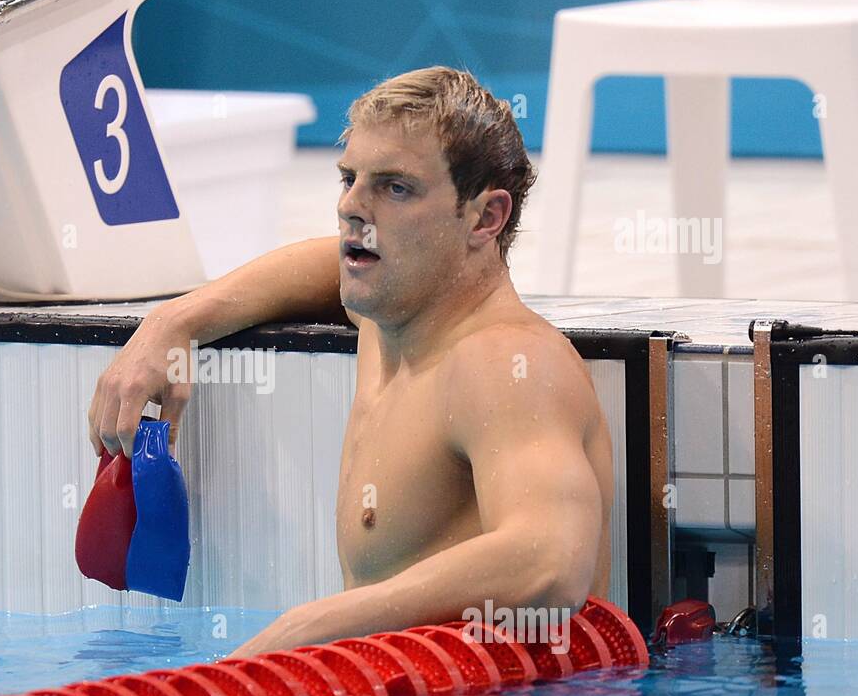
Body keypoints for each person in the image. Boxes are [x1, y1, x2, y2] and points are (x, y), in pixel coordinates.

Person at [86, 67, 612, 657]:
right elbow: (320, 266)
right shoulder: (394, 318)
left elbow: (551, 560)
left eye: (395, 188)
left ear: (485, 218)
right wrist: (170, 324)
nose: (350, 208)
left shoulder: (505, 362)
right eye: (349, 178)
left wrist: (307, 629)